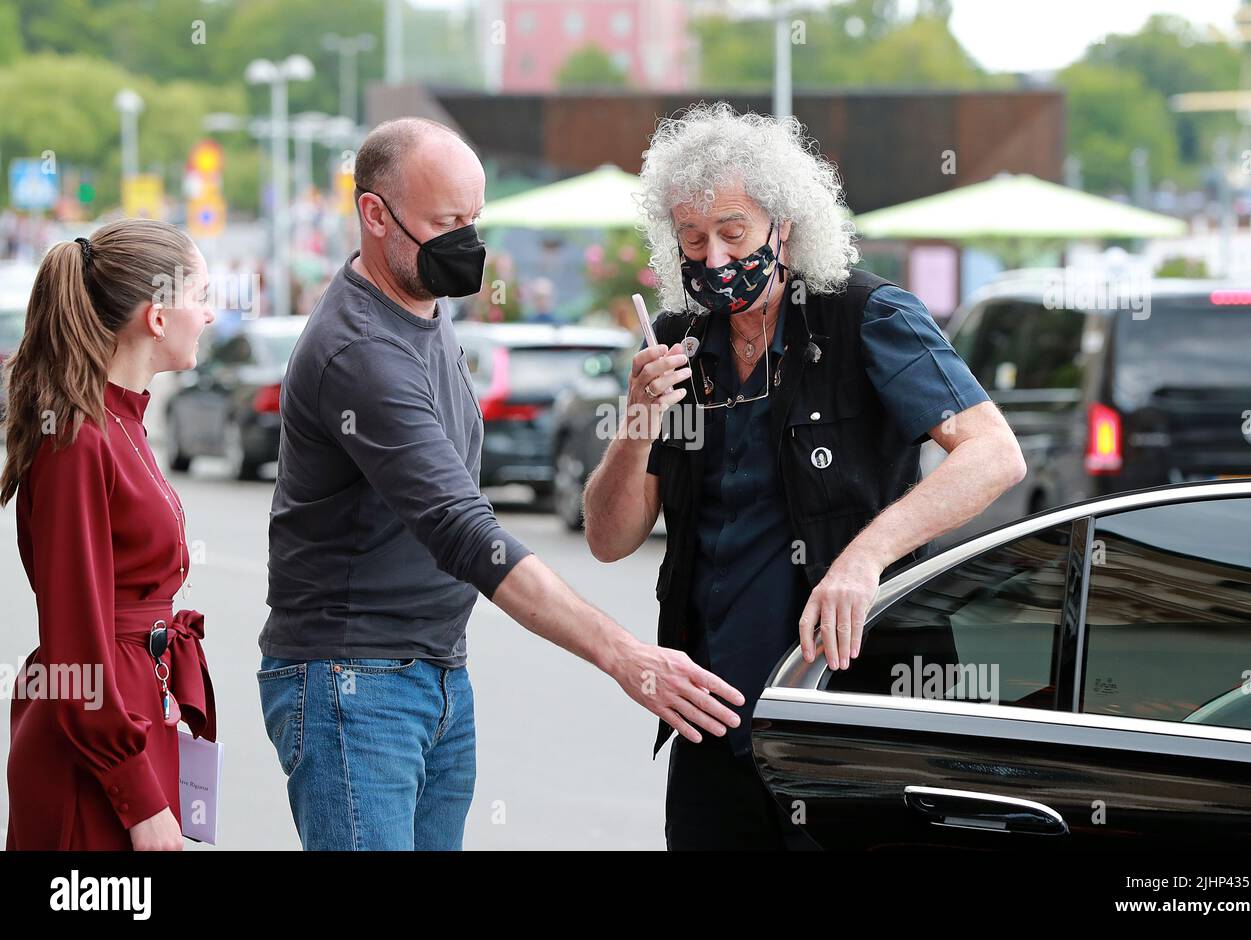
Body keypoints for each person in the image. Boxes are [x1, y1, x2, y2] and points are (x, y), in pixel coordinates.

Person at [257, 117, 744, 851]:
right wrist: (626, 656)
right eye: (447, 222)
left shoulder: (421, 303)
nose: (468, 242)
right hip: (351, 683)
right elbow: (464, 530)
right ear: (375, 214)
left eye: (474, 219)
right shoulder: (359, 352)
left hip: (434, 670)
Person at [582, 102, 1027, 851]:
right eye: (694, 240)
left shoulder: (866, 317)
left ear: (782, 226)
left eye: (734, 233)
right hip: (711, 717)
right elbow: (608, 537)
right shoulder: (676, 347)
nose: (716, 259)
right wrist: (636, 420)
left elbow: (993, 453)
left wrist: (863, 558)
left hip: (849, 716)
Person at [2, 219, 218, 851]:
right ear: (156, 317)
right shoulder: (79, 439)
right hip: (93, 743)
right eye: (201, 296)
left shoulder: (120, 421)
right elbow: (72, 647)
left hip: (131, 714)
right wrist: (138, 796)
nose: (209, 314)